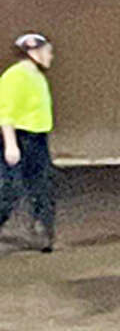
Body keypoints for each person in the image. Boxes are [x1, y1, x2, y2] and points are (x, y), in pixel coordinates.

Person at [0, 33, 56, 253]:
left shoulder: (37, 77)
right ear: (34, 51)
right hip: (19, 138)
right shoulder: (15, 77)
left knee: (43, 185)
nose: (51, 56)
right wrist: (11, 144)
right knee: (10, 188)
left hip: (37, 139)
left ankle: (43, 230)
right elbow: (5, 112)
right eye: (47, 51)